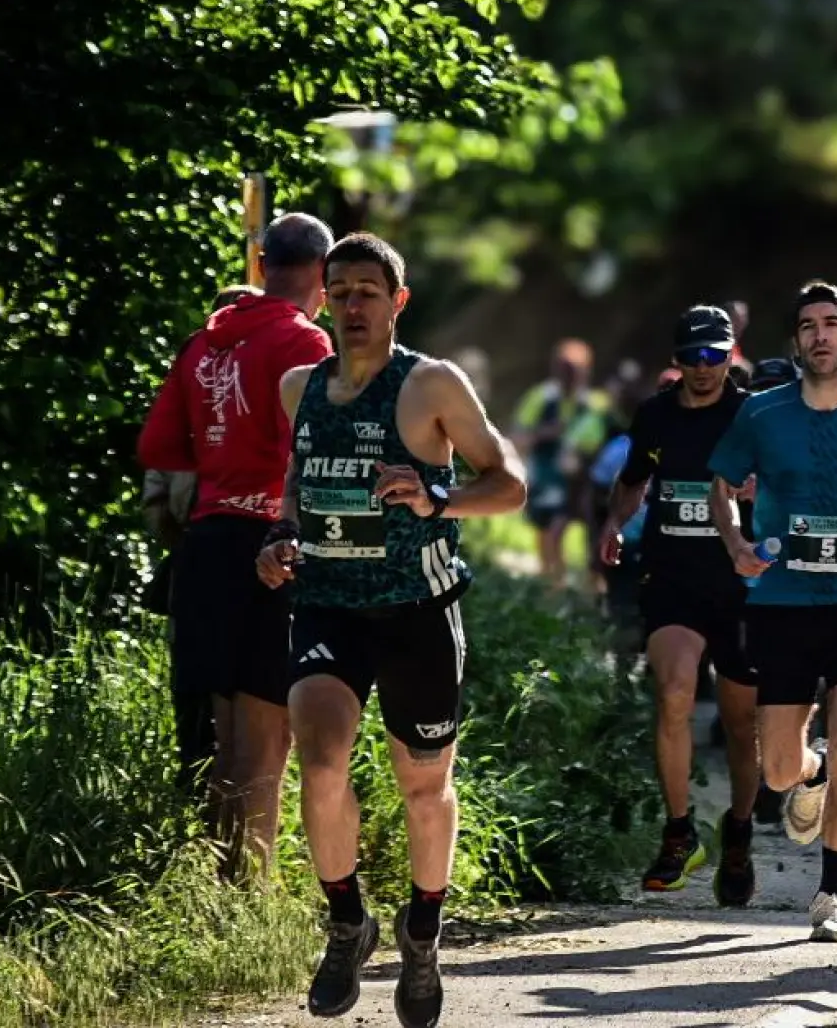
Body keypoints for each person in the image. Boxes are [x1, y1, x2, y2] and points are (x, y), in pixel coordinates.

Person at [257, 233, 527, 1027]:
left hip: (420, 612)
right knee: (320, 754)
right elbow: (296, 491)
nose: (353, 306)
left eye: (369, 291)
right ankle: (347, 923)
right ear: (322, 299)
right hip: (332, 604)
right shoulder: (297, 387)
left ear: (397, 301)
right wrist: (280, 541)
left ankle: (422, 931)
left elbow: (507, 483)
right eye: (338, 291)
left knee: (423, 785)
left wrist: (436, 498)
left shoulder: (431, 384)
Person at [708, 280, 837, 943]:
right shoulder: (761, 414)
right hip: (783, 602)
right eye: (807, 326)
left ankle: (829, 895)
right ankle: (810, 768)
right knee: (776, 770)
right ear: (795, 341)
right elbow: (721, 484)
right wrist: (736, 541)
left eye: (832, 324)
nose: (820, 335)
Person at [137, 218, 335, 879]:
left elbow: (161, 447)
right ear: (324, 276)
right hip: (271, 546)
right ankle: (251, 895)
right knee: (266, 734)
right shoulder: (304, 341)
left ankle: (214, 890)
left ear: (261, 261)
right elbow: (316, 446)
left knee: (218, 730)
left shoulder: (204, 343)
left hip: (206, 545)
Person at [600, 305, 760, 905]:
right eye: (693, 356)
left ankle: (739, 833)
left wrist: (757, 493)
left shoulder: (750, 414)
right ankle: (679, 831)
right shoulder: (655, 414)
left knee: (743, 724)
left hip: (739, 583)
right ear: (676, 360)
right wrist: (615, 523)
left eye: (714, 356)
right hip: (671, 577)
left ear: (730, 357)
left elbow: (780, 480)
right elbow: (634, 478)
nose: (703, 367)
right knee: (673, 694)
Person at [140, 282, 263, 803]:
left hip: (257, 560)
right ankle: (195, 797)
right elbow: (157, 500)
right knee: (194, 692)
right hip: (197, 559)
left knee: (253, 691)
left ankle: (246, 803)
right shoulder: (188, 402)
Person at [512, 341, 592, 589]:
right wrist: (544, 434)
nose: (569, 375)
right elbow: (517, 437)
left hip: (573, 480)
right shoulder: (541, 397)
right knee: (544, 526)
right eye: (565, 368)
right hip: (543, 474)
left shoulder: (589, 404)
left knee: (559, 525)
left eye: (575, 370)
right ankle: (549, 577)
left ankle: (558, 579)